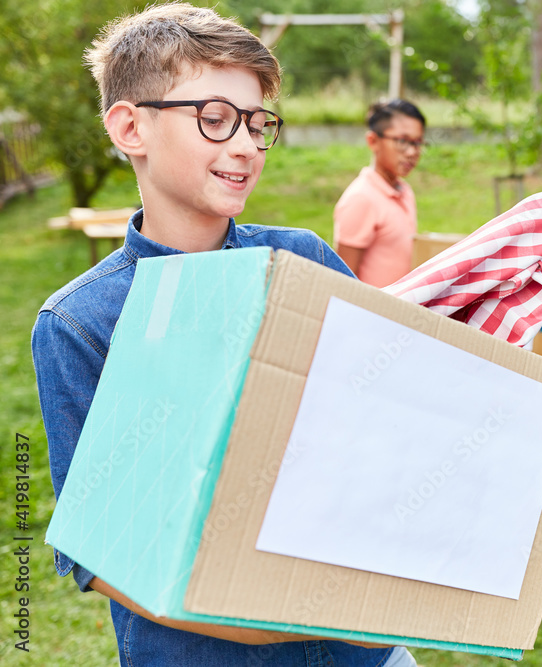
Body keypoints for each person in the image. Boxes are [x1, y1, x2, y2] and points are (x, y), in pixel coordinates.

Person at [30, 4, 416, 665]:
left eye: (259, 125)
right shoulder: (79, 322)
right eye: (214, 119)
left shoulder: (304, 260)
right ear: (130, 127)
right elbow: (98, 552)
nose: (244, 144)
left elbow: (380, 428)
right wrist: (274, 622)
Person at [333, 99, 425, 287]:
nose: (412, 152)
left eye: (417, 143)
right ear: (373, 141)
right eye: (402, 141)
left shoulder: (405, 191)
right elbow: (342, 282)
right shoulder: (361, 198)